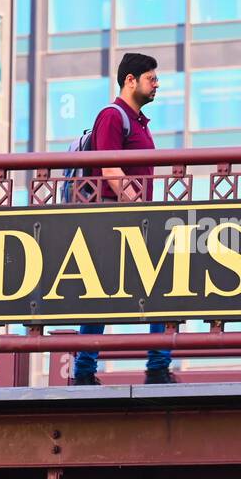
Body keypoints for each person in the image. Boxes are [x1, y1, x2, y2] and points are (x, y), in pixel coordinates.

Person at [71, 53, 177, 386]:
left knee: (157, 286)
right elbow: (110, 170)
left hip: (133, 218)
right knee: (104, 293)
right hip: (114, 219)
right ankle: (87, 370)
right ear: (130, 80)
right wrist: (138, 208)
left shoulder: (139, 122)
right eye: (151, 78)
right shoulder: (112, 116)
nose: (156, 84)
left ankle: (155, 364)